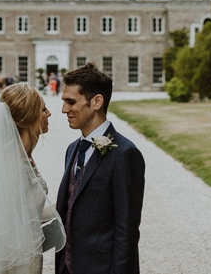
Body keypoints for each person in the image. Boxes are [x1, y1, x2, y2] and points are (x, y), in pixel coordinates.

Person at [0, 84, 64, 273]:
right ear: (30, 116)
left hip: (30, 252)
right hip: (15, 260)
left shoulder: (26, 156)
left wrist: (68, 203)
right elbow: (4, 224)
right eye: (43, 109)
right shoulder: (10, 160)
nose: (49, 114)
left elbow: (29, 212)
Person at [56, 62, 144, 274]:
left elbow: (127, 231)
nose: (63, 109)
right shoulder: (72, 150)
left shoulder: (125, 154)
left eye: (71, 101)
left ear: (96, 102)